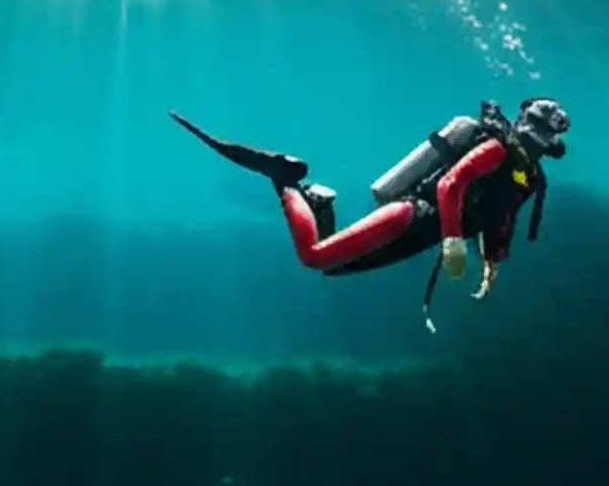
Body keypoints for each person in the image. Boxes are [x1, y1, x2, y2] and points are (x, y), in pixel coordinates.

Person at [168, 97, 570, 332]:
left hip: (423, 235)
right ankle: (286, 180)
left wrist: (490, 263)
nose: (539, 145)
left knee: (332, 268)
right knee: (314, 256)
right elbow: (450, 186)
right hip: (410, 216)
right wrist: (451, 241)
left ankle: (319, 204)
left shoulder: (528, 177)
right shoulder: (497, 150)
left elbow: (503, 217)